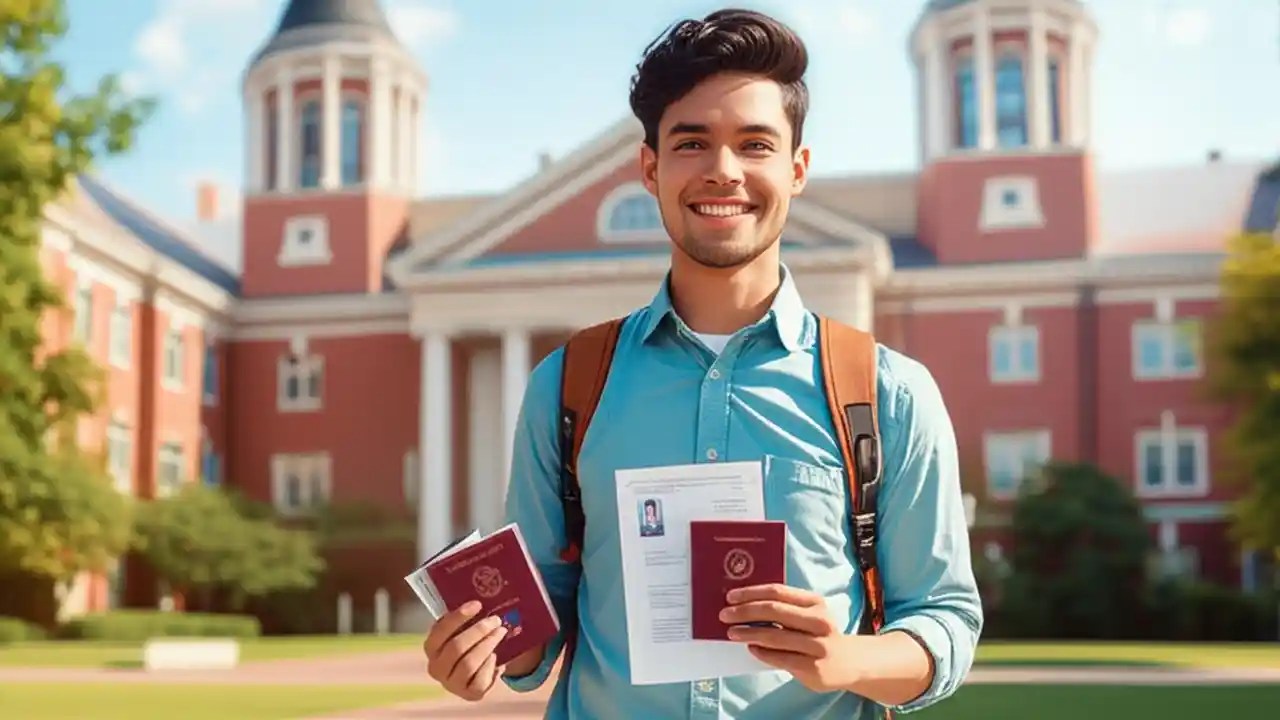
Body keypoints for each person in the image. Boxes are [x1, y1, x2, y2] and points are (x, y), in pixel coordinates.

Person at [423, 8, 982, 718]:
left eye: (755, 144)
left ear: (797, 170)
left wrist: (845, 657)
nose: (723, 171)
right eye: (692, 143)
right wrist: (486, 650)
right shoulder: (566, 386)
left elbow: (944, 617)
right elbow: (538, 625)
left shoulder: (887, 393)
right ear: (650, 169)